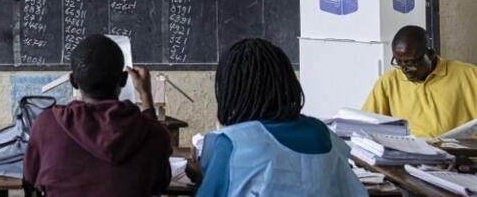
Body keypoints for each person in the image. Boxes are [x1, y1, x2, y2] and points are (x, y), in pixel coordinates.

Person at [190, 38, 366, 196]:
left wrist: (205, 177)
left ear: (231, 91)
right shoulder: (324, 134)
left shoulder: (230, 143)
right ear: (287, 82)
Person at [23, 34, 172, 197]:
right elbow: (160, 184)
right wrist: (145, 94)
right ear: (123, 80)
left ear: (73, 81)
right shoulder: (154, 133)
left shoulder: (46, 125)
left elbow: (31, 179)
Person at [363, 25, 477, 138]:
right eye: (399, 62)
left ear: (430, 55)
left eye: (411, 62)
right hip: (410, 149)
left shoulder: (470, 75)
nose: (405, 69)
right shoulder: (388, 82)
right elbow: (367, 126)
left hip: (461, 149)